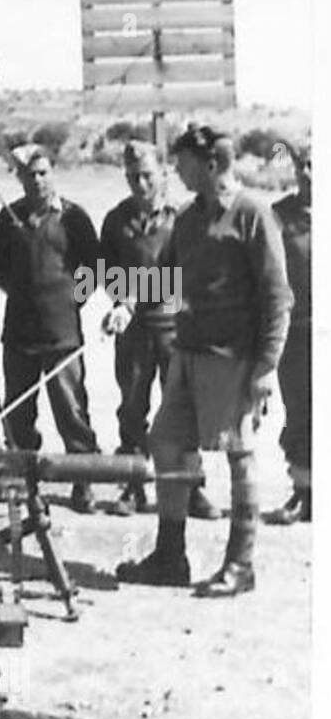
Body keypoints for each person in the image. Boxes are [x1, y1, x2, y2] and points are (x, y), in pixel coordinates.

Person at [117, 125, 292, 596]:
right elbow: (164, 277)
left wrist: (266, 367)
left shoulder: (254, 215)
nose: (176, 171)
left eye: (183, 163)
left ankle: (240, 564)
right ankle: (169, 557)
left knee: (238, 455)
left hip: (232, 359)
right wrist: (125, 301)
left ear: (211, 164)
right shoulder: (190, 219)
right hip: (187, 354)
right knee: (167, 444)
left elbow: (278, 298)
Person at [99, 141, 219, 519]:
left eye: (147, 175)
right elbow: (105, 271)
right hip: (133, 334)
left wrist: (134, 298)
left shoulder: (182, 219)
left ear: (163, 174)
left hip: (176, 330)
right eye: (133, 176)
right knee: (132, 410)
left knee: (183, 412)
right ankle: (133, 485)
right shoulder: (116, 220)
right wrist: (120, 303)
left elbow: (180, 275)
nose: (140, 183)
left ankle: (192, 488)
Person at [0, 144, 100, 513]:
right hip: (19, 334)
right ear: (19, 178)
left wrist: (70, 302)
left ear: (53, 172)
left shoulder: (75, 218)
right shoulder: (7, 218)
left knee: (71, 410)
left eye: (42, 172)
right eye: (28, 174)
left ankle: (84, 482)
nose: (37, 181)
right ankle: (25, 481)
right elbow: (0, 271)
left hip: (62, 335)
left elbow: (93, 270)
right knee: (19, 415)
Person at [265, 143, 312, 525]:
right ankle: (304, 492)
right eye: (304, 165)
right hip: (296, 332)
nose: (311, 172)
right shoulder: (280, 216)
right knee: (299, 414)